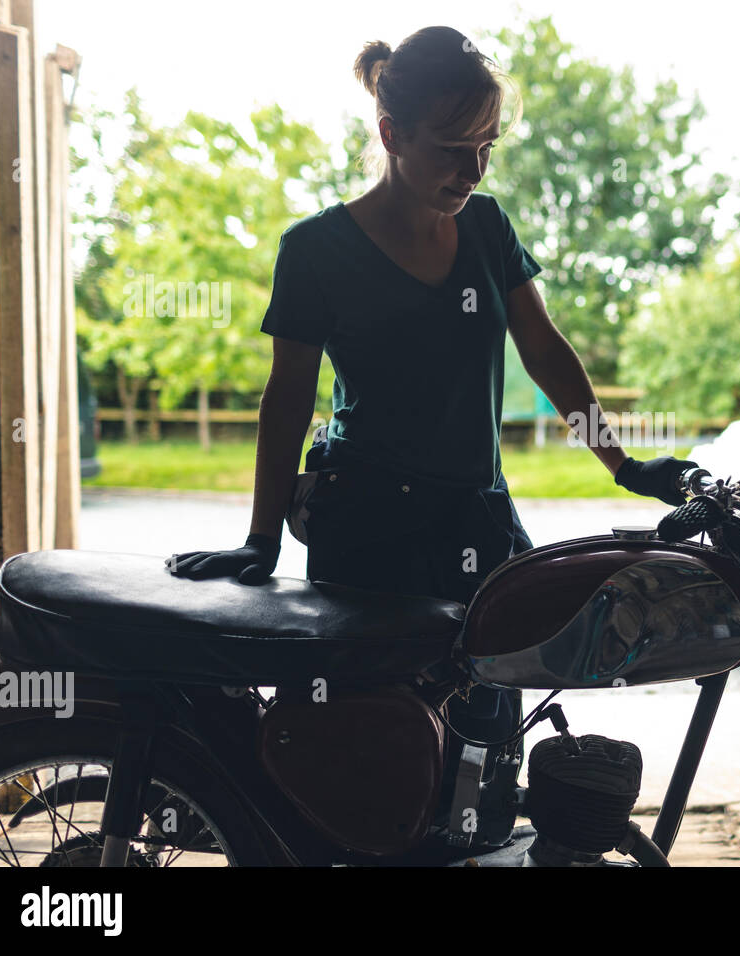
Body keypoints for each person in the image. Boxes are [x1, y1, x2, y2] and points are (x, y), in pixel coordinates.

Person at [164, 25, 696, 819]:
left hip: (478, 522)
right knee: (366, 751)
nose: (472, 170)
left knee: (482, 749)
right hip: (368, 532)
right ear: (391, 134)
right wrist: (262, 538)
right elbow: (286, 403)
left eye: (486, 146)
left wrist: (621, 466)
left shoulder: (487, 229)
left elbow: (545, 350)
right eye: (452, 147)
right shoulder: (315, 251)